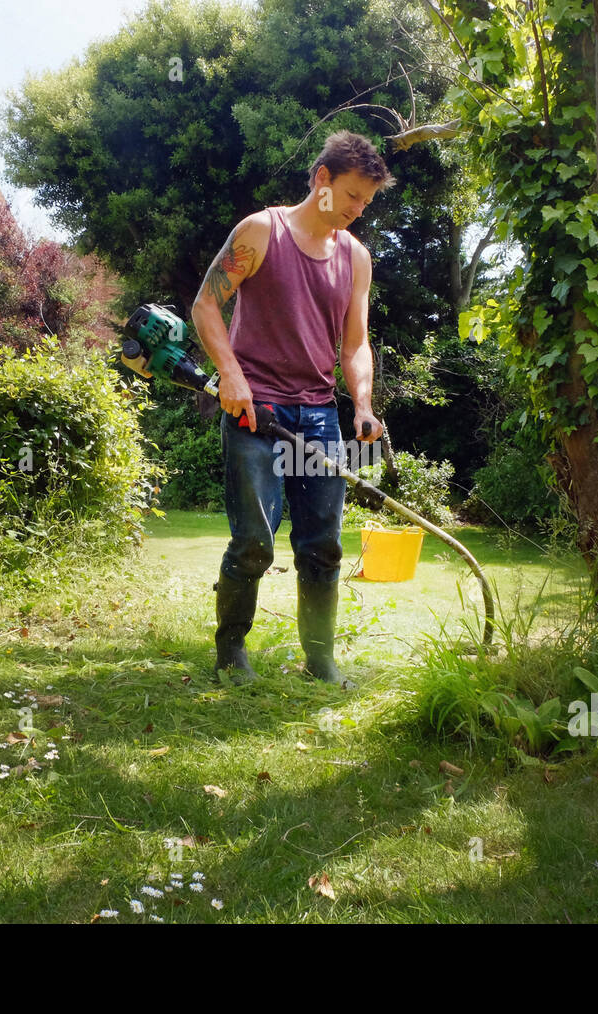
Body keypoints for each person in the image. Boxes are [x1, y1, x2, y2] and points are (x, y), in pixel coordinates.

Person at [190, 131, 394, 688]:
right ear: (322, 179)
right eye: (352, 196)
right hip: (256, 411)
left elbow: (355, 344)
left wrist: (364, 405)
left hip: (318, 415)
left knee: (323, 545)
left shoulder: (355, 257)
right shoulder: (261, 232)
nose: (357, 211)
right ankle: (231, 651)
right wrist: (231, 375)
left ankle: (319, 660)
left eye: (366, 203)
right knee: (255, 539)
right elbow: (206, 304)